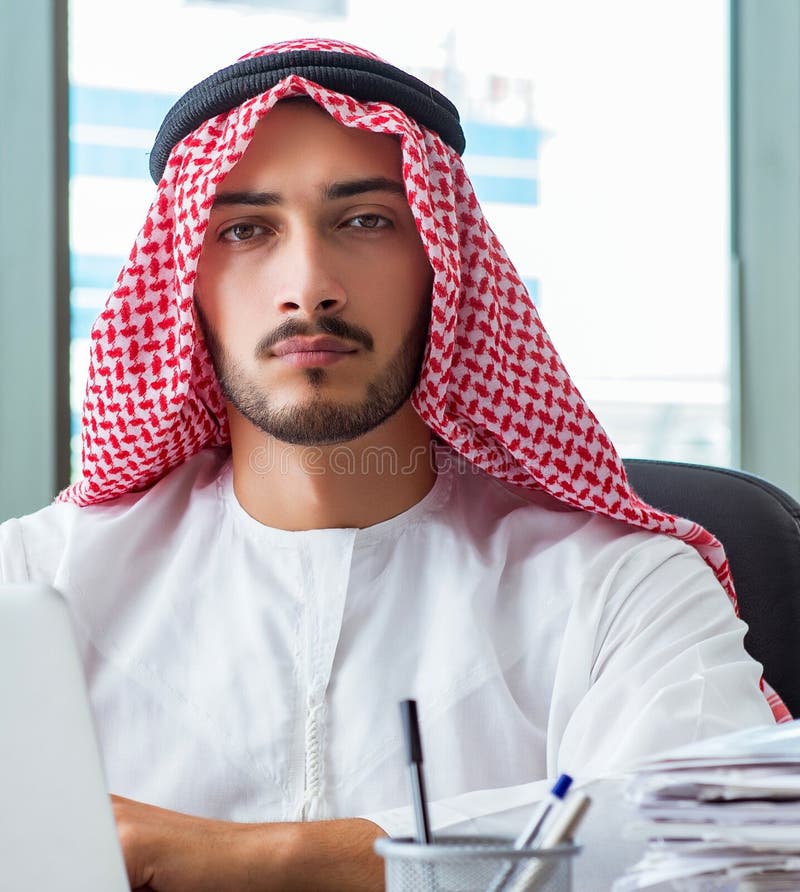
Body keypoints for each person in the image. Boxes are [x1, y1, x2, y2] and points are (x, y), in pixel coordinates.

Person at [0, 37, 783, 892]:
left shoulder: (620, 587)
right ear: (188, 280)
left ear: (443, 268)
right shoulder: (37, 581)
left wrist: (272, 860)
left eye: (366, 221)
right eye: (246, 229)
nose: (310, 285)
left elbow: (720, 848)